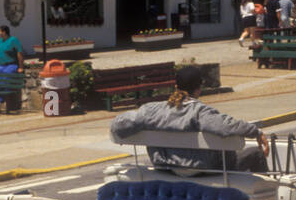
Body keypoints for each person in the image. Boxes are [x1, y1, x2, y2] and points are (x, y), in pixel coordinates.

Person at [110, 64, 270, 173]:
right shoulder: (199, 111)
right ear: (198, 89)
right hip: (201, 171)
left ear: (176, 87)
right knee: (256, 153)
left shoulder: (151, 110)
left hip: (165, 168)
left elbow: (118, 125)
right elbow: (225, 127)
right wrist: (255, 132)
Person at [0, 25, 23, 113]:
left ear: (4, 32)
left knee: (5, 81)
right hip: (1, 65)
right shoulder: (1, 41)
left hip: (11, 65)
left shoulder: (13, 40)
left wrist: (21, 67)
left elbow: (19, 53)